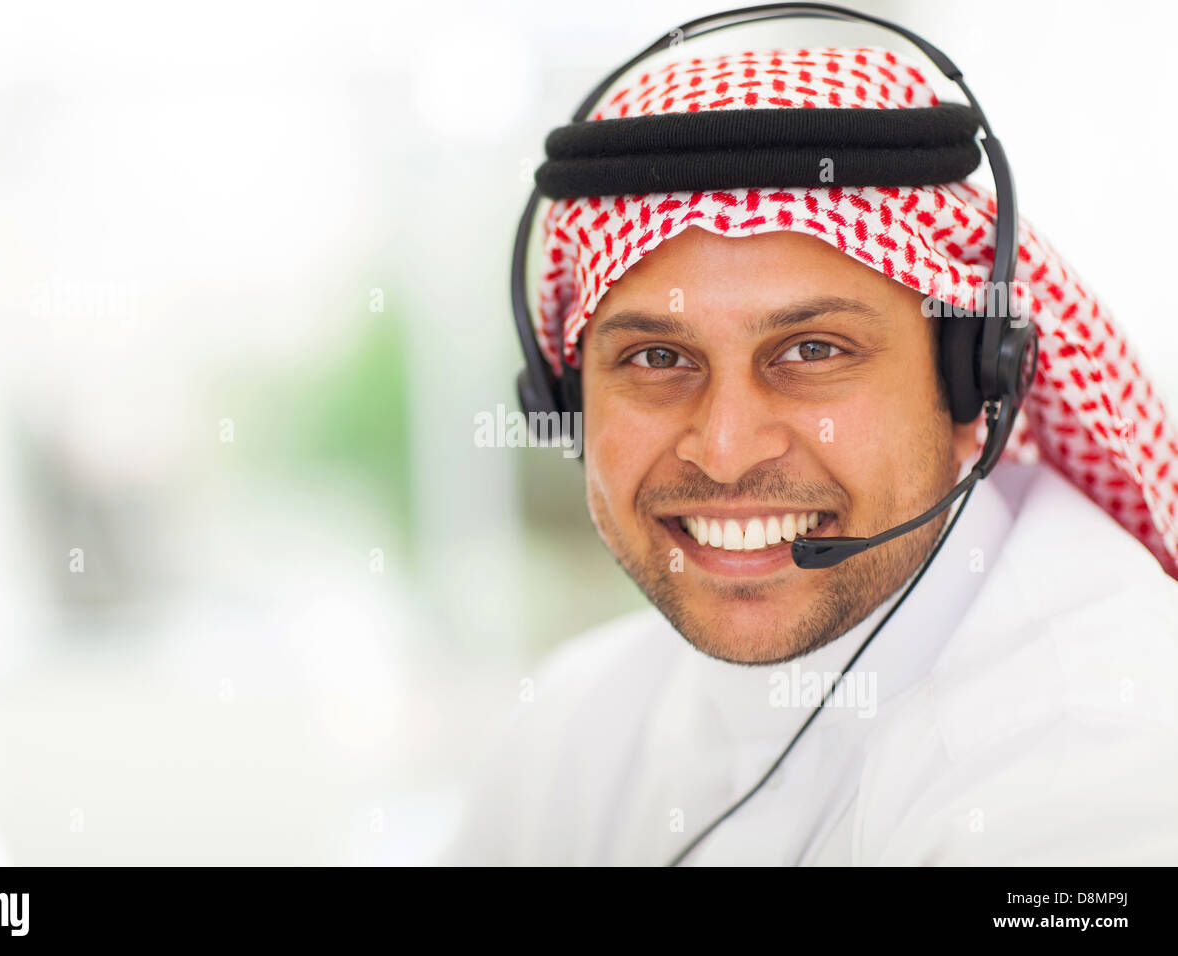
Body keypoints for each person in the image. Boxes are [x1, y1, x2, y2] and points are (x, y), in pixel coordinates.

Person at [440, 45, 1178, 865]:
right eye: (656, 358)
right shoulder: (571, 730)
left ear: (976, 383)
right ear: (563, 402)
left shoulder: (1095, 753)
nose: (724, 452)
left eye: (814, 350)